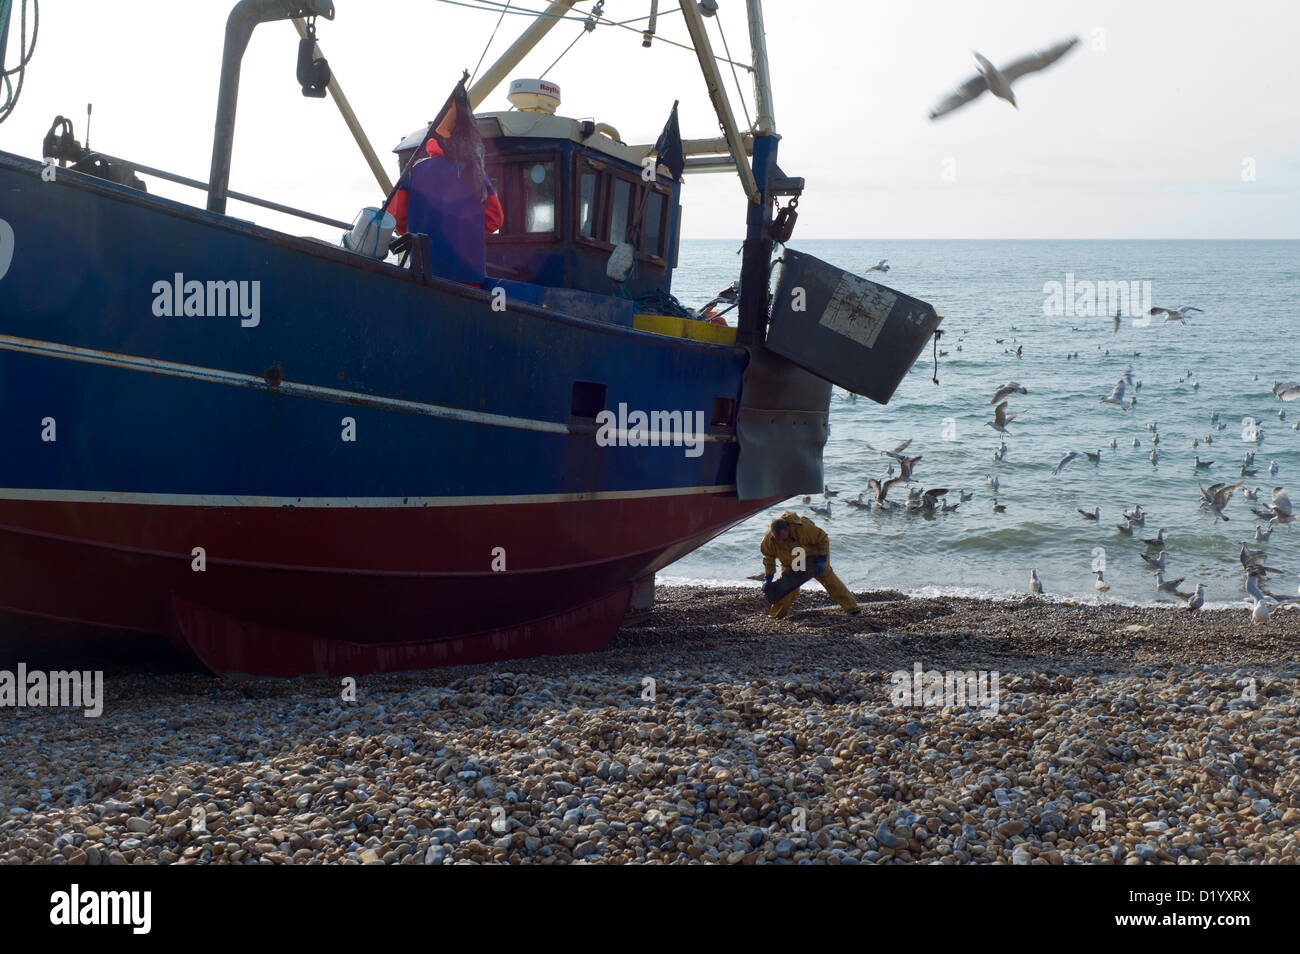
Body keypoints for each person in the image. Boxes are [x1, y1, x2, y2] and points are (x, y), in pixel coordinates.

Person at [388, 138, 503, 285]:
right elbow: (495, 218)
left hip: (424, 274)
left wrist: (418, 229)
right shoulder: (476, 173)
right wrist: (467, 234)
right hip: (468, 277)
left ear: (432, 144)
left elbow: (396, 218)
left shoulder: (413, 172)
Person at [760, 512, 860, 619]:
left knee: (830, 582)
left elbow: (823, 539)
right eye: (778, 539)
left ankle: (853, 609)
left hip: (814, 557)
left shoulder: (804, 529)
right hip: (790, 562)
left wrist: (822, 560)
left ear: (787, 529)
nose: (781, 541)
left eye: (783, 539)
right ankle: (776, 615)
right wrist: (769, 577)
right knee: (786, 588)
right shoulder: (768, 540)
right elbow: (768, 558)